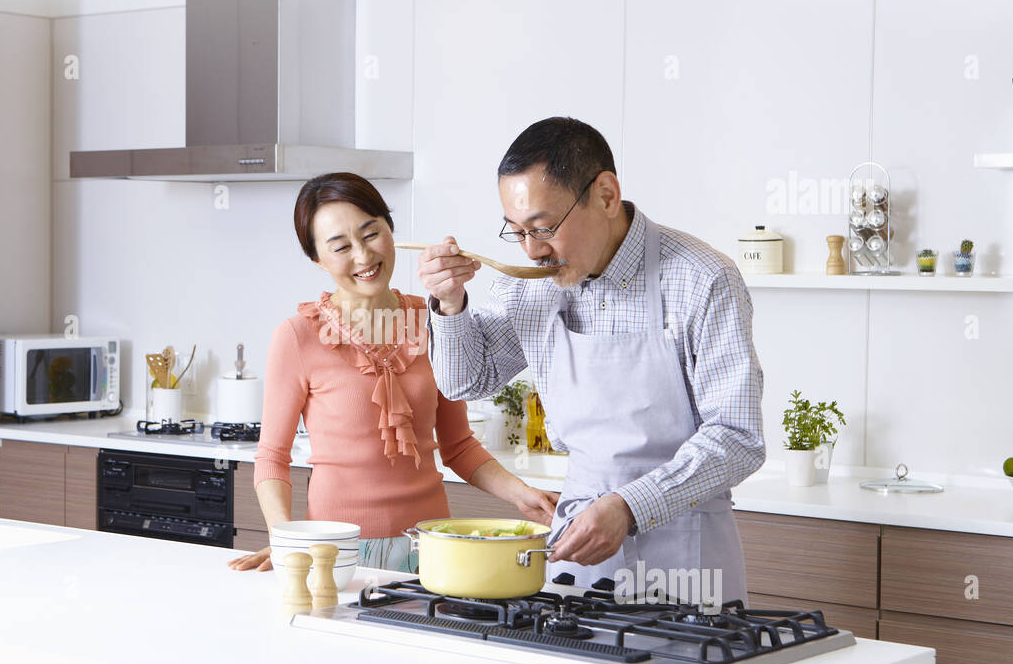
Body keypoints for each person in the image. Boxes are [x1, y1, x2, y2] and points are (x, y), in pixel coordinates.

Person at [419, 117, 764, 605]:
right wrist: (450, 304)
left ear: (605, 194)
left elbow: (737, 436)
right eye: (516, 232)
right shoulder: (529, 282)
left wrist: (629, 507)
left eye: (543, 228)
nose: (533, 251)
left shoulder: (702, 278)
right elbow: (467, 381)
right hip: (578, 547)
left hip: (686, 556)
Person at [228, 172, 559, 573]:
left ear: (390, 229)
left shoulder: (436, 319)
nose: (364, 257)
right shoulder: (297, 336)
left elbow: (458, 446)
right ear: (317, 259)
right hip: (335, 552)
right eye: (340, 246)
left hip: (431, 546)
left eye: (371, 234)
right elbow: (272, 458)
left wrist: (523, 494)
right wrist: (285, 541)